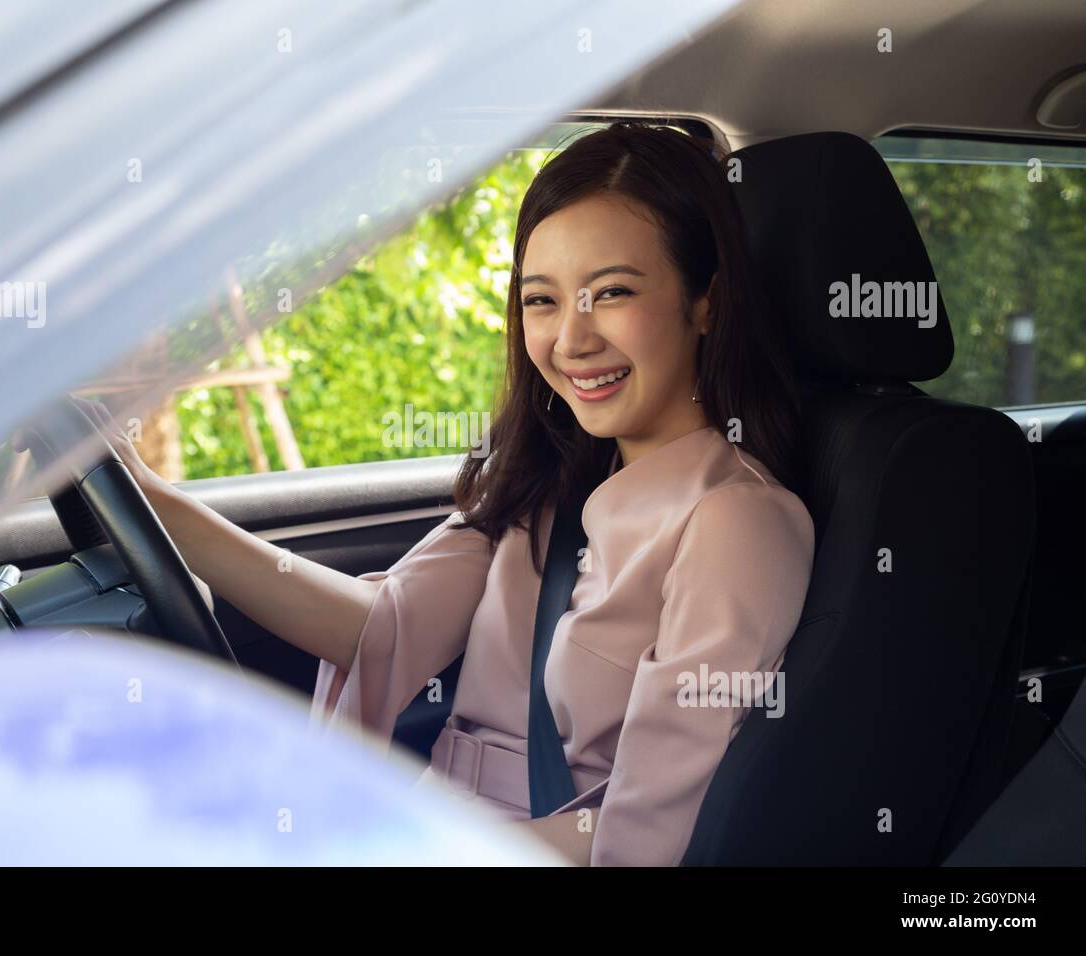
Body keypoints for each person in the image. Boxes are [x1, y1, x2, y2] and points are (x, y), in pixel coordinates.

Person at [88, 120, 814, 866]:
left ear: (706, 303)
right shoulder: (547, 475)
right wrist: (142, 494)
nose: (572, 338)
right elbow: (382, 628)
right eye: (542, 301)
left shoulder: (736, 522)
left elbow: (645, 837)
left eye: (613, 293)